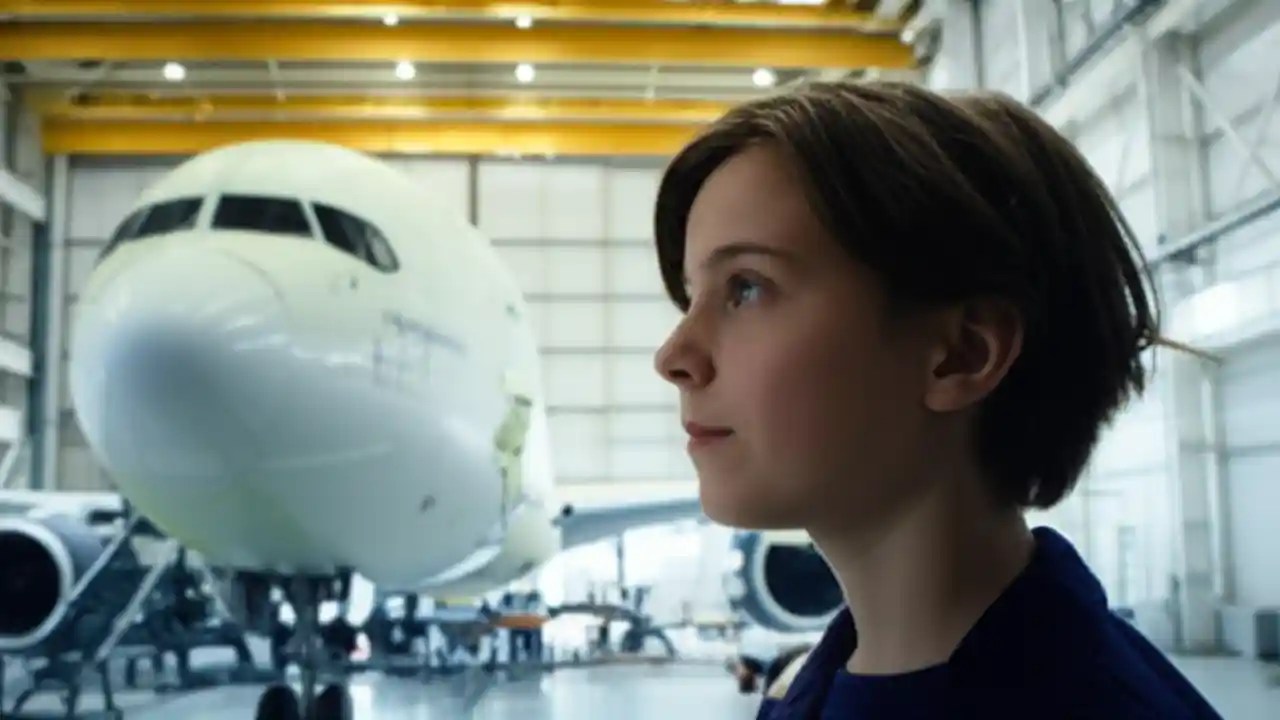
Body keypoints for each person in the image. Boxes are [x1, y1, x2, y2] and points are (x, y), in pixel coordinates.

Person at [652, 80, 1223, 719]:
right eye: (690, 295)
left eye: (747, 288)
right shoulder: (824, 688)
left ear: (961, 355)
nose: (674, 356)